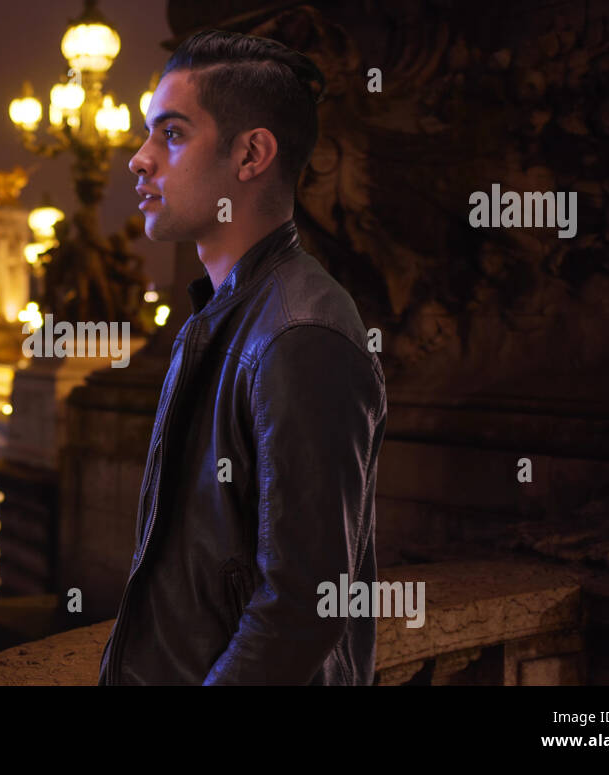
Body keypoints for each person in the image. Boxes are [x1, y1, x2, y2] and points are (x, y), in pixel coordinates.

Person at [98, 30, 388, 685]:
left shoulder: (299, 332)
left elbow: (302, 611)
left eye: (170, 135)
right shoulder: (223, 313)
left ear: (252, 153)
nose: (138, 160)